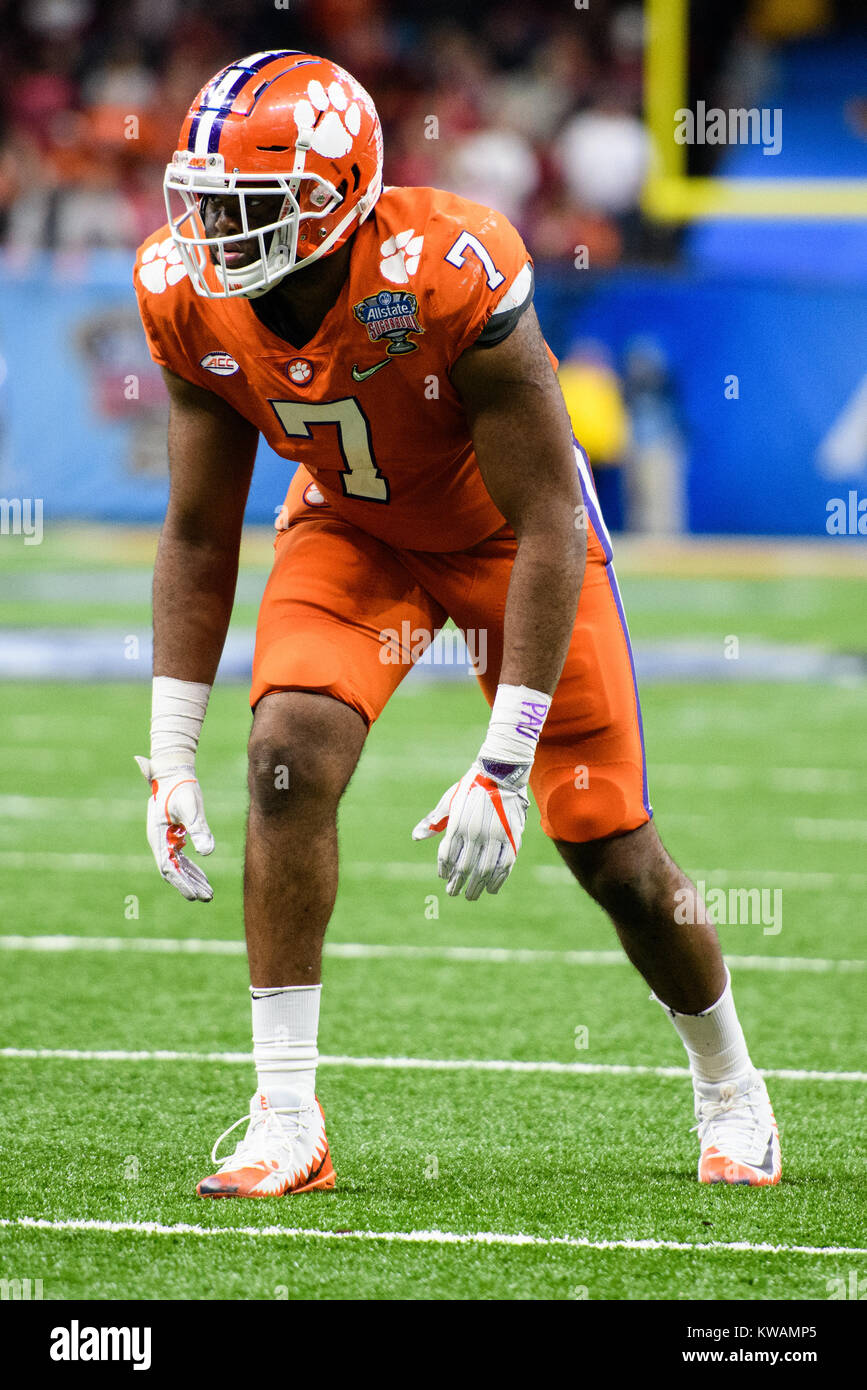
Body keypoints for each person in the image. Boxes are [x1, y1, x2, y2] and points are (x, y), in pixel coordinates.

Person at [133, 50, 781, 1197]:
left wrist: (505, 760)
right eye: (205, 199)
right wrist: (171, 749)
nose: (210, 229)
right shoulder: (189, 293)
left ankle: (731, 1083)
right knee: (284, 755)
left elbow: (546, 519)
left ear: (333, 197)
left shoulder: (453, 267)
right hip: (352, 525)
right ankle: (286, 1117)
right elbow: (196, 529)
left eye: (244, 205)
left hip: (503, 543)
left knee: (611, 846)